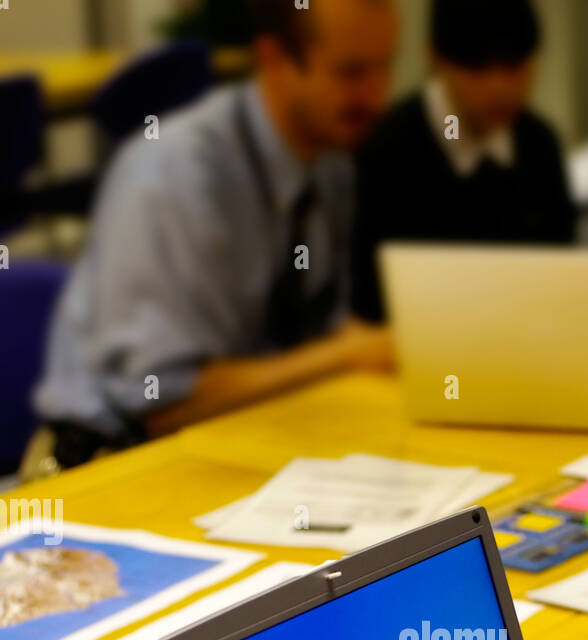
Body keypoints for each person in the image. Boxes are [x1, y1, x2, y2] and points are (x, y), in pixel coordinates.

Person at [25, 0, 398, 478]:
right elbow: (162, 401)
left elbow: (316, 334)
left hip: (242, 445)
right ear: (274, 59)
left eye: (384, 68)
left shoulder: (330, 162)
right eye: (351, 73)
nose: (377, 97)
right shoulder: (176, 175)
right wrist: (345, 355)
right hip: (108, 464)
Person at [352, 0, 575, 323]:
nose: (499, 88)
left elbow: (562, 280)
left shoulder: (539, 145)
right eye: (477, 69)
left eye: (515, 67)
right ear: (436, 59)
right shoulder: (387, 149)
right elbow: (370, 302)